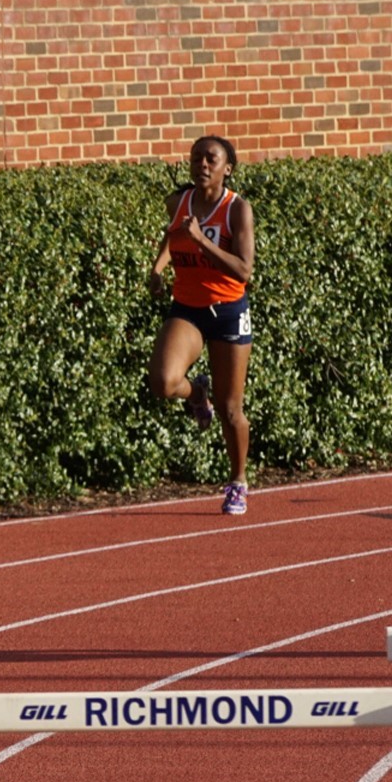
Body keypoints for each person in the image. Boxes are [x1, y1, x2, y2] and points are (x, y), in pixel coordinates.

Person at [147, 135, 257, 515]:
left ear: (227, 168)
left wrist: (201, 241)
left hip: (227, 310)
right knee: (162, 382)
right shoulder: (179, 201)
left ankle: (238, 481)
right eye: (197, 158)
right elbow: (172, 233)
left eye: (211, 159)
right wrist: (158, 270)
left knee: (230, 410)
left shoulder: (237, 209)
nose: (202, 165)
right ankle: (196, 393)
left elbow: (244, 269)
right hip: (188, 308)